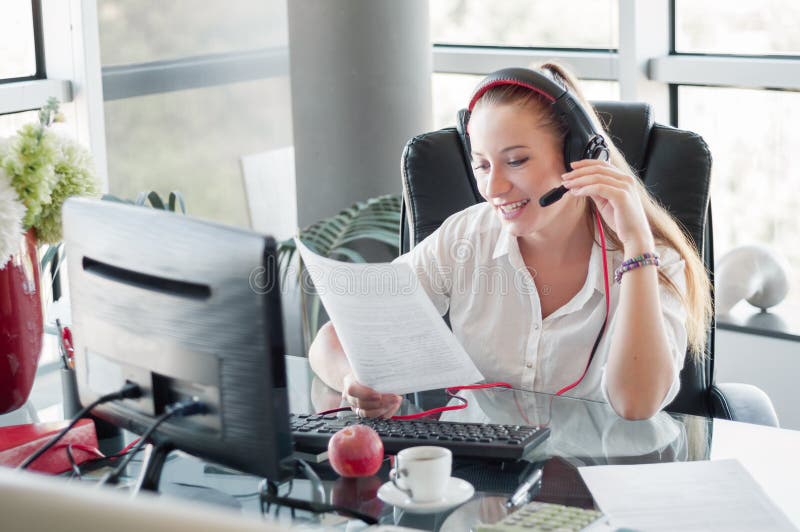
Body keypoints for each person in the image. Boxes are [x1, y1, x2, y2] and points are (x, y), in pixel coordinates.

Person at [309, 62, 712, 421]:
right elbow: (333, 338)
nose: (493, 188)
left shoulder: (653, 258)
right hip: (479, 473)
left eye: (516, 161)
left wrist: (638, 248)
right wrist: (353, 378)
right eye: (482, 165)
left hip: (599, 473)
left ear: (579, 155)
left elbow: (636, 405)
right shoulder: (465, 238)